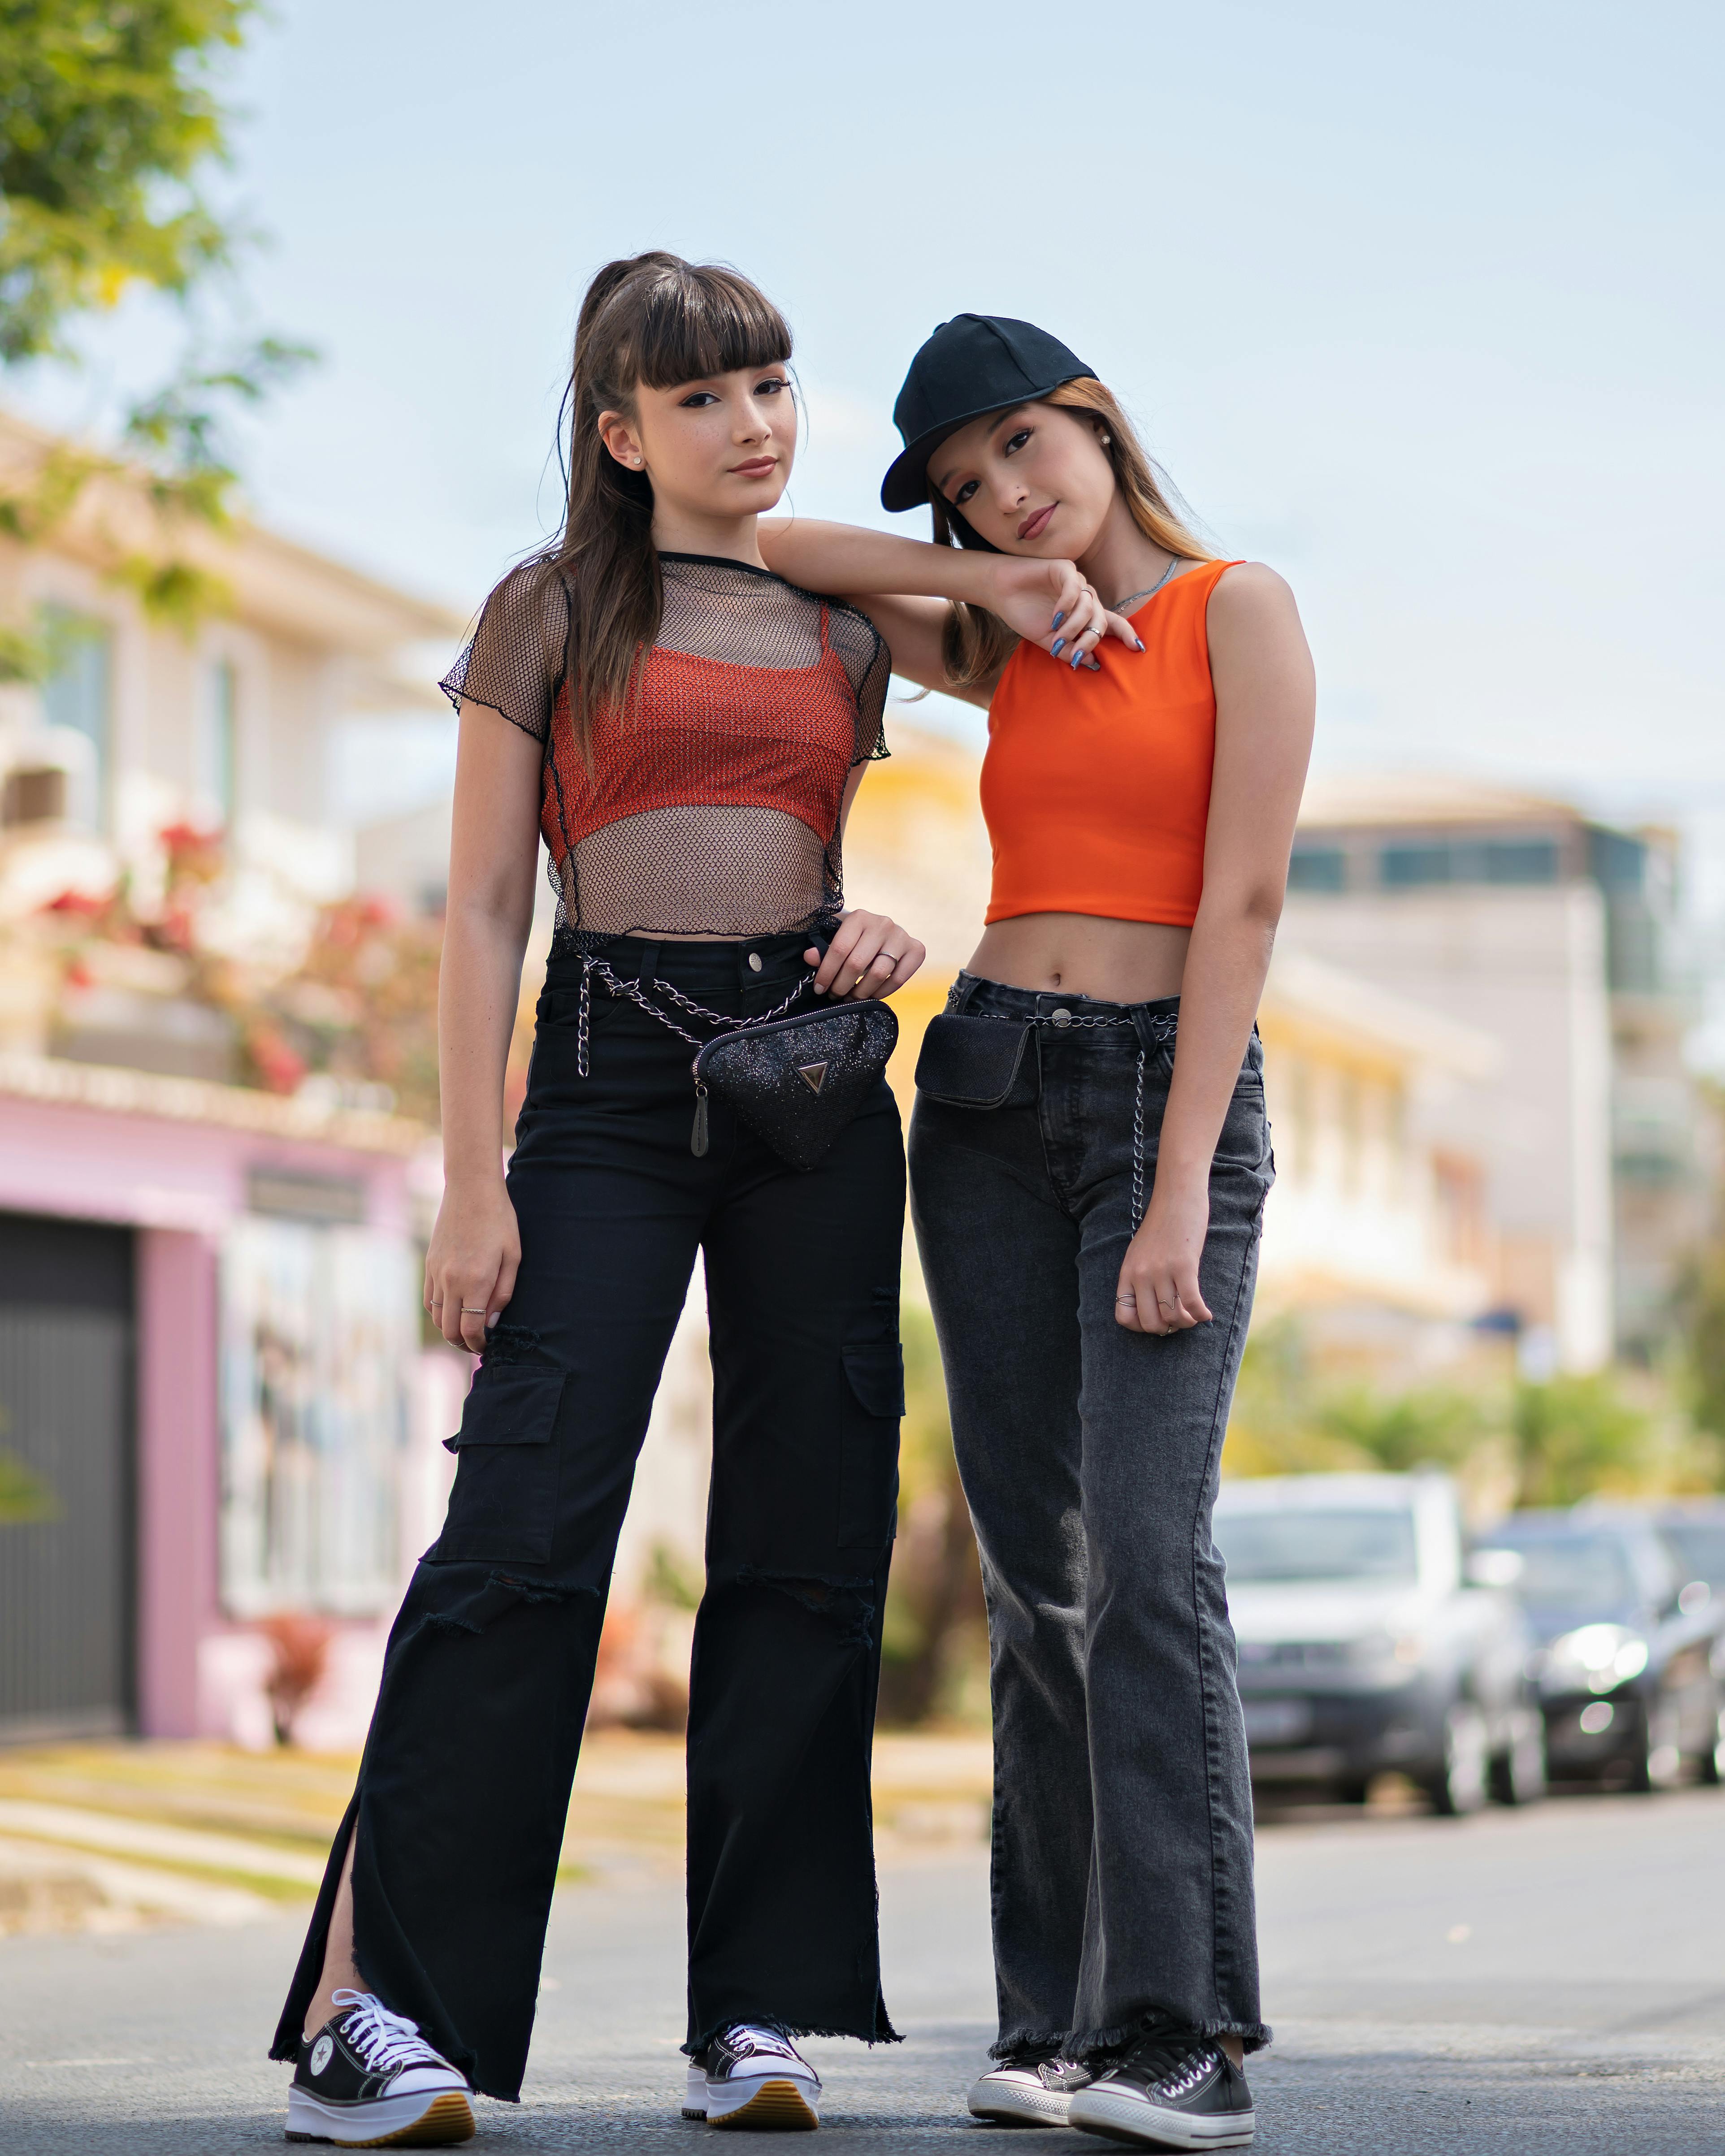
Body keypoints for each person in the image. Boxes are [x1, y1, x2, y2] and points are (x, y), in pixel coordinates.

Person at [269, 253, 928, 2145]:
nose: (754, 423)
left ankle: (760, 2010)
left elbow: (971, 653)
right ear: (622, 433)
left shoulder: (842, 629)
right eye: (705, 396)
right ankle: (374, 2012)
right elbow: (485, 906)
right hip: (603, 1083)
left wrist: (876, 926)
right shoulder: (551, 606)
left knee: (806, 1540)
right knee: (525, 1529)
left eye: (773, 385)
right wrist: (466, 1178)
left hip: (810, 1085)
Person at [757, 313, 1316, 2150]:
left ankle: (1184, 2032)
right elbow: (777, 547)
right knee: (1034, 1579)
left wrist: (1178, 1182)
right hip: (986, 1092)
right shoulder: (1008, 635)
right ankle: (1057, 2022)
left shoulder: (1238, 610)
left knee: (1147, 1562)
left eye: (1019, 446)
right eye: (964, 480)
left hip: (1161, 1103)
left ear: (1094, 419)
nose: (1005, 492)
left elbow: (1242, 902)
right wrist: (991, 585)